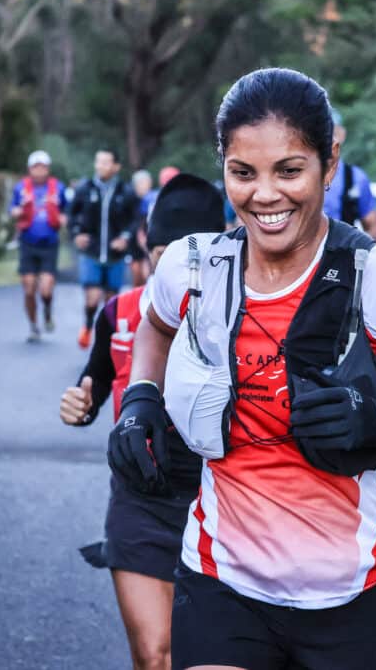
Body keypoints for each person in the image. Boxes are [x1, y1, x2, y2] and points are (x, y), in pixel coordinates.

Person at [108, 68, 376, 670]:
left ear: (330, 165)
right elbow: (156, 322)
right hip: (221, 583)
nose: (265, 196)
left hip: (350, 596)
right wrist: (141, 396)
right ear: (223, 164)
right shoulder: (193, 267)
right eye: (243, 173)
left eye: (290, 170)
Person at [60, 174, 226, 670]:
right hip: (141, 498)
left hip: (224, 498)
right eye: (162, 253)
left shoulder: (243, 312)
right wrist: (80, 406)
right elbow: (93, 383)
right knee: (156, 655)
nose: (174, 266)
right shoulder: (119, 312)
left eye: (187, 254)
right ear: (146, 249)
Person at [69, 148, 139, 349]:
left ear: (116, 167)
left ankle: (105, 342)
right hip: (90, 252)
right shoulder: (84, 189)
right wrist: (76, 234)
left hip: (115, 256)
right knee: (92, 298)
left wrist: (125, 238)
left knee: (110, 302)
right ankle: (88, 326)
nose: (100, 166)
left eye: (106, 162)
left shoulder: (125, 192)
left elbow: (135, 220)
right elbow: (72, 214)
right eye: (98, 161)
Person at [8, 149, 67, 343]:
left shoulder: (58, 187)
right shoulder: (21, 188)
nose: (39, 170)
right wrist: (17, 212)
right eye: (36, 166)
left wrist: (63, 219)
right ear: (29, 169)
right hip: (28, 243)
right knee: (29, 288)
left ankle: (48, 312)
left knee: (46, 289)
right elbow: (13, 209)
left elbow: (66, 210)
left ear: (48, 168)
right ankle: (34, 326)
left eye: (43, 166)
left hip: (49, 243)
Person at [323, 109, 376, 243]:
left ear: (341, 135)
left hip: (338, 256)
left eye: (330, 131)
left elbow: (373, 226)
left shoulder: (355, 178)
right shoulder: (295, 173)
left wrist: (361, 258)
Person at [129, 170, 155, 288]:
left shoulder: (152, 199)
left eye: (146, 183)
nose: (145, 186)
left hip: (147, 241)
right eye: (141, 183)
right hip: (133, 243)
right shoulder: (129, 199)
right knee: (136, 275)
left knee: (147, 276)